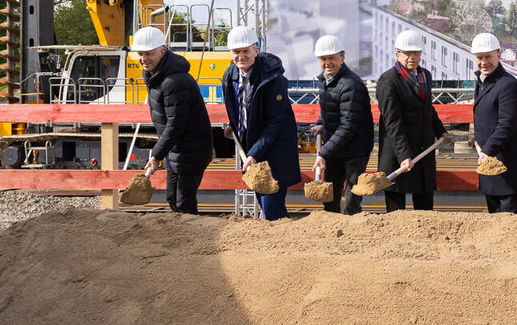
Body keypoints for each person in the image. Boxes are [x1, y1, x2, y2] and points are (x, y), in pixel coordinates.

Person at [220, 26, 300, 221]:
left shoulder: (273, 79)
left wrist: (254, 154)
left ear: (256, 50)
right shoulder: (230, 76)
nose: (241, 56)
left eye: (246, 51)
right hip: (253, 152)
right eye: (236, 52)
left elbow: (275, 122)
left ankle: (284, 245)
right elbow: (240, 109)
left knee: (272, 209)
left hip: (275, 151)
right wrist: (235, 126)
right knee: (267, 205)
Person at [131, 26, 213, 215]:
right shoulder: (155, 76)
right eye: (141, 53)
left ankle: (191, 240)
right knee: (172, 198)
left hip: (192, 149)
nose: (144, 58)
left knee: (184, 202)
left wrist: (156, 155)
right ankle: (182, 238)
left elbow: (176, 125)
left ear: (162, 51)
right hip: (176, 150)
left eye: (149, 53)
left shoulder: (175, 82)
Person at [376, 30, 450, 211]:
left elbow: (427, 108)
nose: (412, 57)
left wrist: (440, 130)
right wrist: (404, 155)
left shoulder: (425, 75)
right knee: (396, 211)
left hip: (423, 151)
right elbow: (392, 122)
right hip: (397, 154)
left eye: (416, 53)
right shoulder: (388, 80)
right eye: (407, 53)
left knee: (425, 208)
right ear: (397, 54)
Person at [311, 34, 373, 215]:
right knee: (330, 197)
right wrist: (322, 123)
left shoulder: (350, 85)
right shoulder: (326, 80)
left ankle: (353, 236)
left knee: (351, 201)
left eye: (332, 58)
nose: (327, 62)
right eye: (323, 58)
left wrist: (323, 153)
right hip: (336, 147)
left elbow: (348, 126)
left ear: (342, 58)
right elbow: (330, 107)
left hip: (355, 149)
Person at [471, 33, 517, 214]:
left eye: (488, 57)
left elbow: (507, 124)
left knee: (508, 223)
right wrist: (477, 136)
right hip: (490, 166)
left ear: (499, 54)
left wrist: (488, 150)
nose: (483, 62)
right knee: (494, 220)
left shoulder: (507, 85)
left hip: (507, 167)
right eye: (479, 58)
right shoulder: (482, 82)